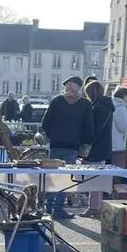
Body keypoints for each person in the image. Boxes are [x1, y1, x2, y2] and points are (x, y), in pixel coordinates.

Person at [41, 76, 94, 219]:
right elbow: (89, 127)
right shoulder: (85, 104)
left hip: (56, 143)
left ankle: (48, 206)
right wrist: (84, 142)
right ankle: (58, 208)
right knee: (65, 176)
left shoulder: (57, 101)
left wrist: (51, 135)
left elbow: (45, 122)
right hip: (72, 145)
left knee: (53, 175)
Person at [81, 80, 114, 217]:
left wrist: (86, 142)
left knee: (93, 178)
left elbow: (94, 129)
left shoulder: (98, 107)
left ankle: (94, 206)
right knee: (96, 177)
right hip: (102, 146)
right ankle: (95, 205)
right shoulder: (106, 106)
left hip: (96, 147)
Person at [111, 86, 127, 155]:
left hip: (112, 143)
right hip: (117, 144)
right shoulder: (120, 108)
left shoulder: (114, 105)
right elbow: (123, 126)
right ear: (124, 96)